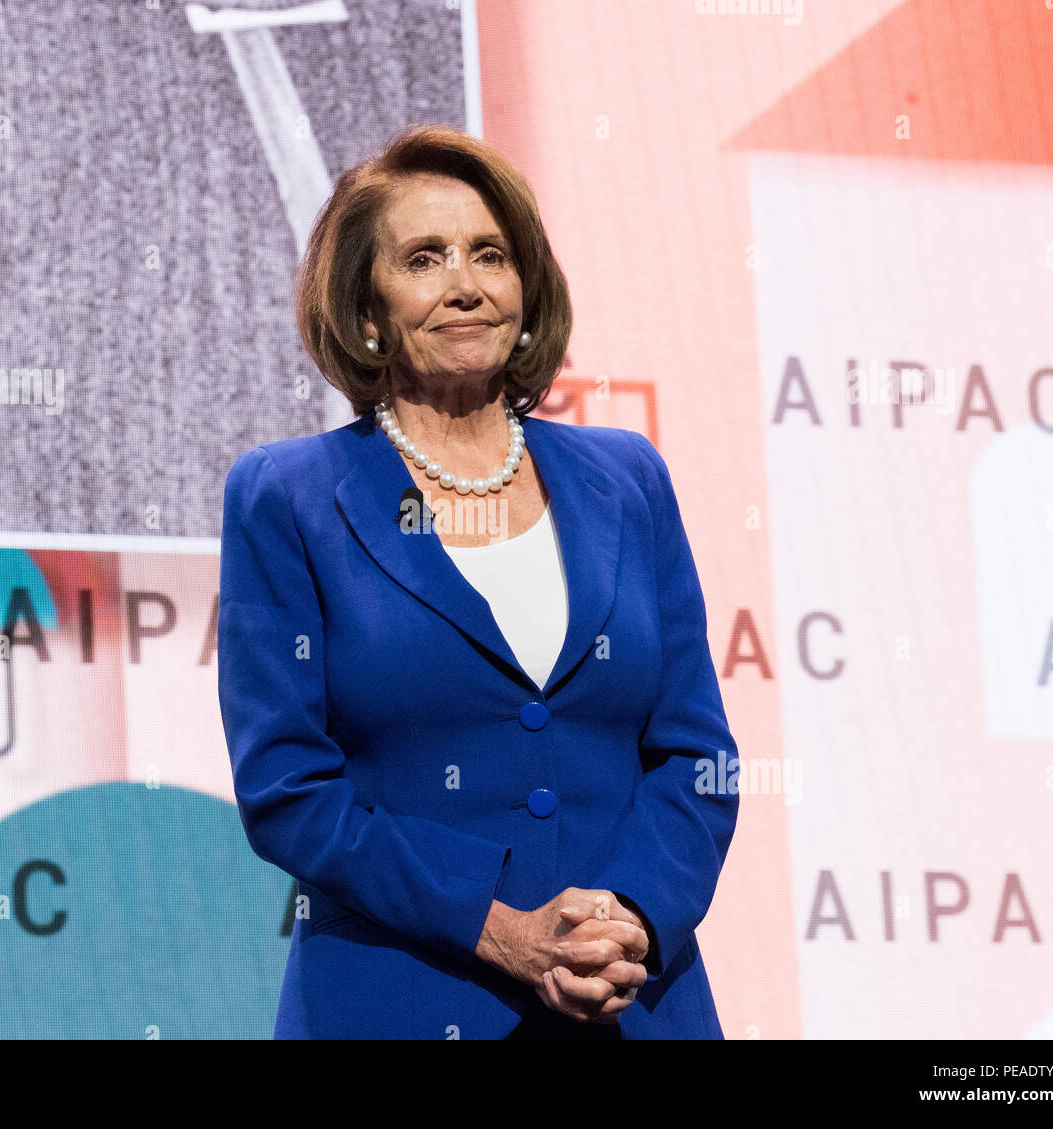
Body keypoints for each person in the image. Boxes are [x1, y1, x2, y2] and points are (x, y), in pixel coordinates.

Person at [217, 124, 740, 1039]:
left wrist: (630, 919)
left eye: (490, 255)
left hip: (634, 1002)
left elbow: (698, 758)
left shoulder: (629, 479)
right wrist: (501, 931)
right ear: (368, 311)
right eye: (425, 258)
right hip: (398, 1003)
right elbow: (289, 789)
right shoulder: (285, 496)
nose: (465, 282)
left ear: (525, 293)